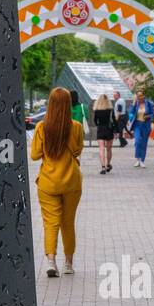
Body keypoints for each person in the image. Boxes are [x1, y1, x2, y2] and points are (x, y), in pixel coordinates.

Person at [30, 86, 83, 277]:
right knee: (68, 223)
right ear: (69, 104)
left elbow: (35, 155)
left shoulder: (41, 127)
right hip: (71, 182)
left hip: (48, 183)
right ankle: (68, 264)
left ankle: (51, 262)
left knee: (50, 223)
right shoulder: (76, 126)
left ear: (50, 104)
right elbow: (77, 151)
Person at [128, 90, 154, 166]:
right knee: (137, 141)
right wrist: (134, 103)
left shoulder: (149, 104)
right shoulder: (135, 104)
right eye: (138, 96)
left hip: (146, 125)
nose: (140, 97)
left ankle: (142, 161)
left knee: (144, 143)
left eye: (141, 95)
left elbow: (153, 114)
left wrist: (148, 116)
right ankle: (137, 159)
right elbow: (131, 112)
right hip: (137, 124)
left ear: (144, 96)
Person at [93, 93, 115, 174]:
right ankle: (108, 165)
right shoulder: (110, 111)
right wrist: (116, 131)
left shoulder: (97, 111)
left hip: (100, 129)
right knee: (108, 149)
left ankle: (103, 167)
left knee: (101, 148)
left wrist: (99, 126)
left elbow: (95, 121)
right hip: (109, 130)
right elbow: (114, 121)